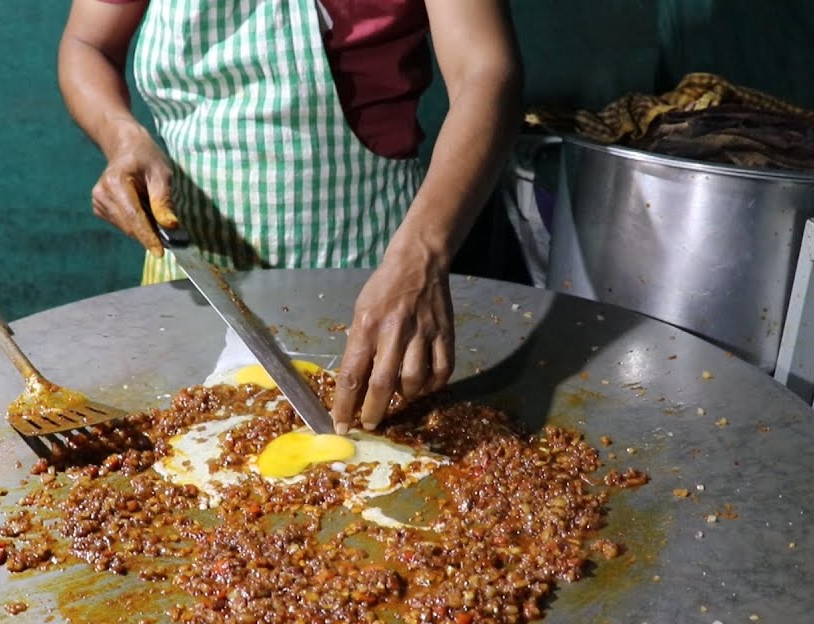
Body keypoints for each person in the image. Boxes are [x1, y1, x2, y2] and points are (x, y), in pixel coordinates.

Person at [58, 0, 522, 434]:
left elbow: (485, 71)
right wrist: (121, 136)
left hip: (375, 275)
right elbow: (88, 44)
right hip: (193, 274)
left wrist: (422, 256)